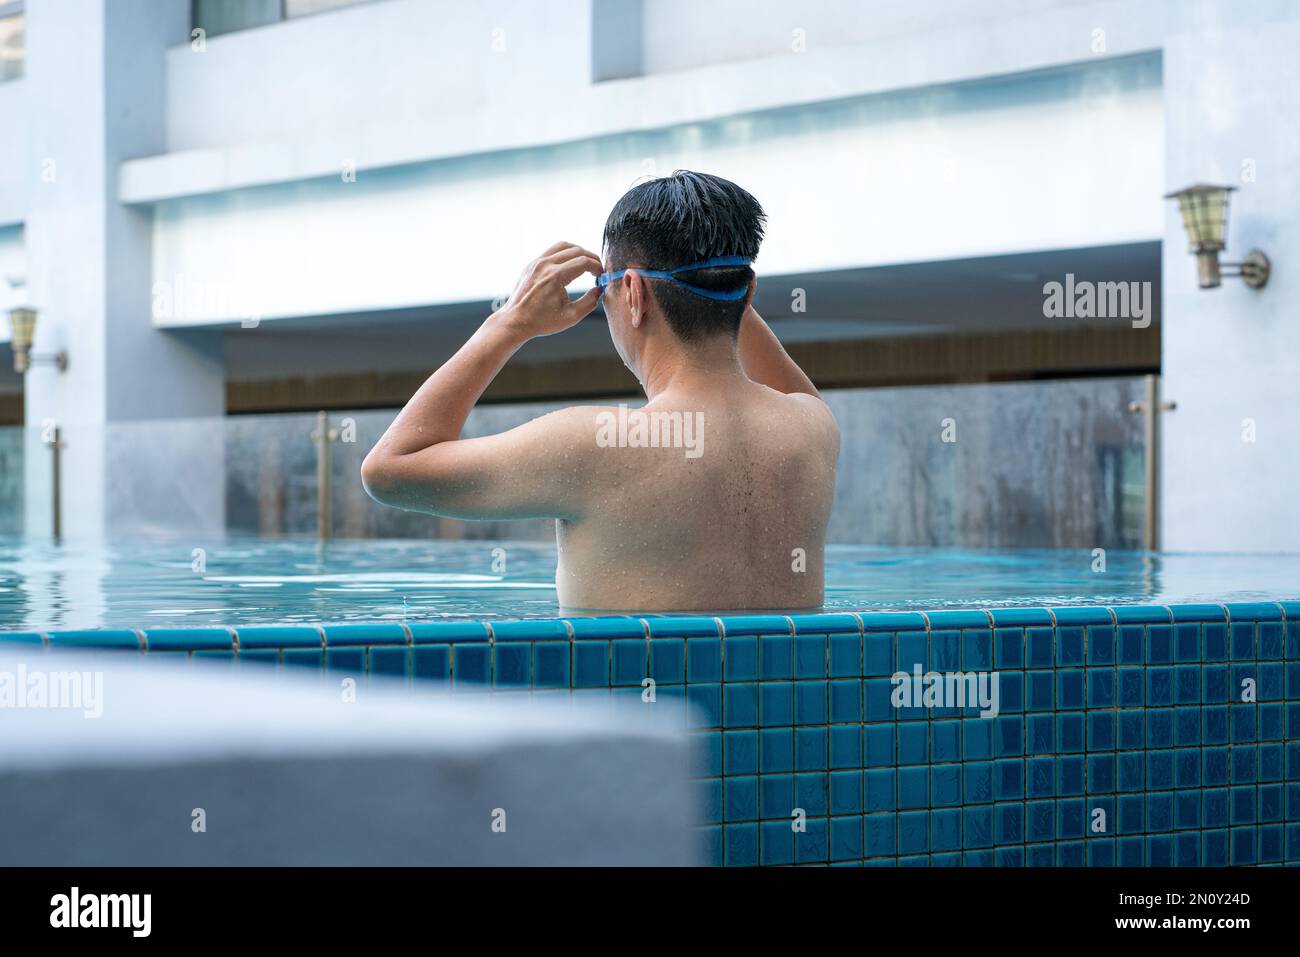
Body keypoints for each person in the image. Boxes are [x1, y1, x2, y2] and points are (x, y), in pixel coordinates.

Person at [362, 171, 839, 611]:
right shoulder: (811, 428)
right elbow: (782, 375)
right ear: (748, 291)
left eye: (606, 286)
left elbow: (388, 471)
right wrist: (716, 282)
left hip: (636, 703)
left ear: (632, 294)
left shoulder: (596, 442)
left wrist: (507, 324)